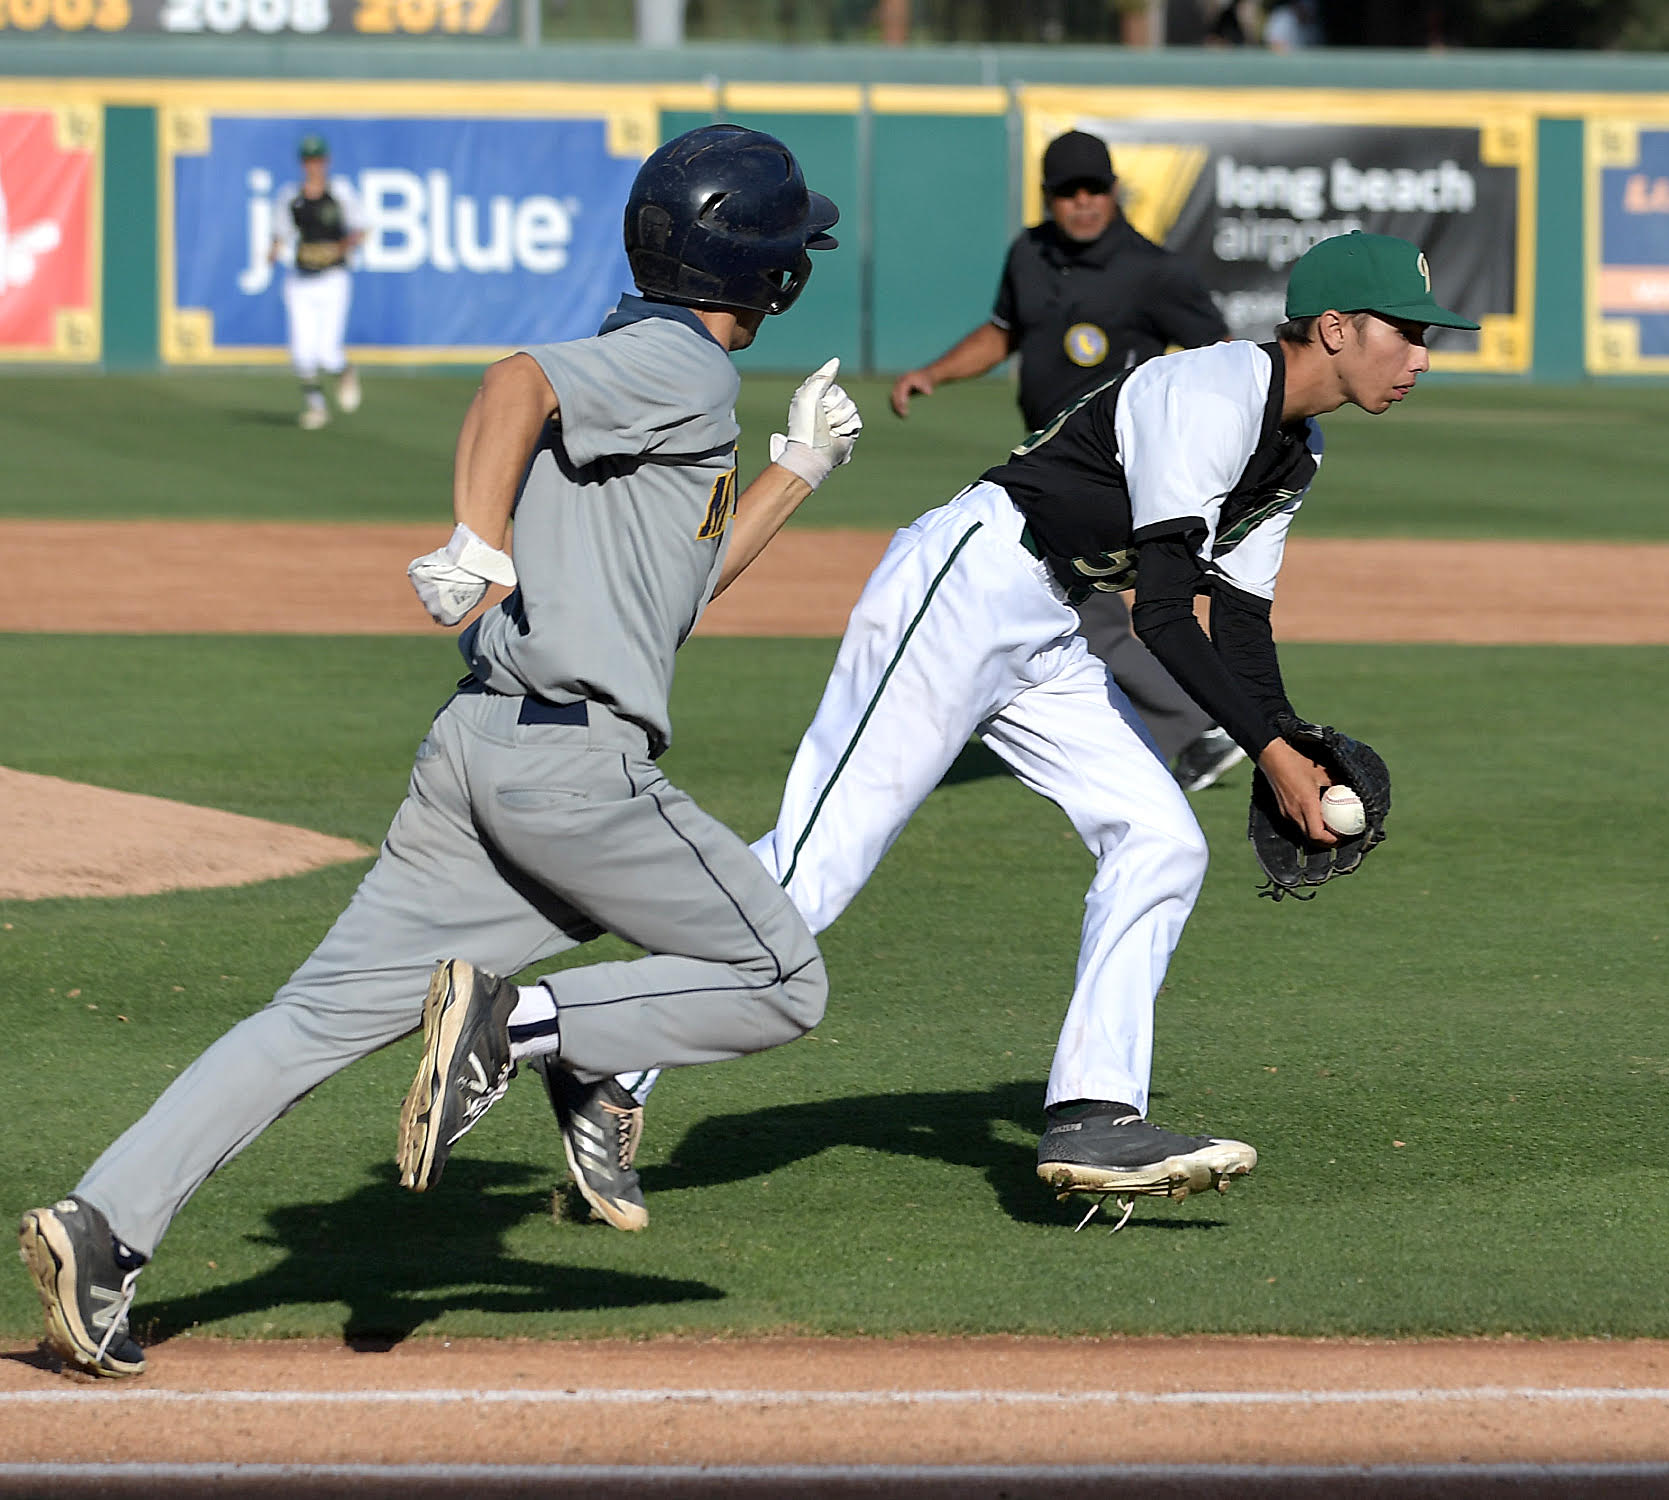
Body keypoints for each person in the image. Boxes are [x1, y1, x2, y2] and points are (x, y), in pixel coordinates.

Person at [17, 124, 858, 1379]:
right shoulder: (683, 371)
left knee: (313, 1017)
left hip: (478, 756)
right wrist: (477, 539)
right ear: (769, 271)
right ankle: (520, 1031)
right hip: (574, 769)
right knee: (781, 977)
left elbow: (671, 596)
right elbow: (513, 380)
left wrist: (793, 475)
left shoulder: (664, 383)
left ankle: (103, 1225)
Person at [756, 232, 1476, 1226]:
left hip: (1049, 626)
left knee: (1161, 839)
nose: (1425, 356)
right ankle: (566, 1037)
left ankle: (1095, 1117)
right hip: (967, 583)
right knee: (818, 865)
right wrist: (1269, 754)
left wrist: (1287, 745)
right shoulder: (1214, 395)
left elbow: (1245, 624)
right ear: (1339, 329)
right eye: (1408, 333)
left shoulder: (1297, 447)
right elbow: (1166, 615)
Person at [889, 130, 1246, 794]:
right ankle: (1188, 729)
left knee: (1081, 613)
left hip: (1119, 468)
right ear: (1049, 197)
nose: (1082, 203)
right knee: (1082, 607)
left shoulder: (1154, 271)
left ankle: (1201, 727)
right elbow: (1003, 333)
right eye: (1067, 192)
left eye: (1094, 190)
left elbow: (1221, 358)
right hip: (1051, 466)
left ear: (1113, 191)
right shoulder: (1029, 253)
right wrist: (934, 374)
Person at [270, 134, 367, 431]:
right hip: (301, 278)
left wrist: (341, 247)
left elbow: (360, 228)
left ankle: (345, 370)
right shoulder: (291, 196)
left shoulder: (339, 192)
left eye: (317, 159)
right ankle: (316, 407)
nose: (313, 165)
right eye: (308, 160)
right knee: (301, 352)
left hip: (333, 278)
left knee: (327, 352)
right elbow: (281, 232)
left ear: (326, 162)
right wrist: (274, 249)